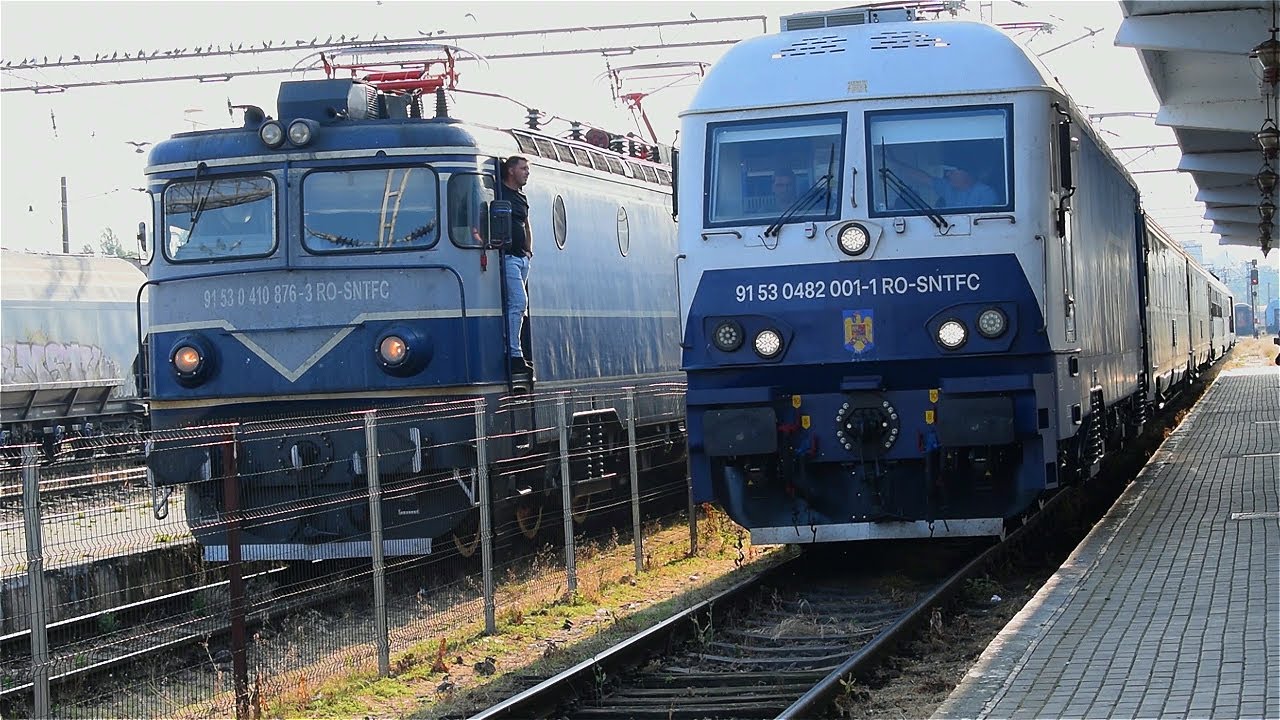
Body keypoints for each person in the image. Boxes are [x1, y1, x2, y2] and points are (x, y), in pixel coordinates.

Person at [501, 155, 533, 374]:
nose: (527, 172)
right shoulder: (499, 194)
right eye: (523, 169)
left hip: (522, 259)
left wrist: (529, 250)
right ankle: (514, 353)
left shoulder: (521, 198)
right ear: (511, 170)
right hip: (508, 258)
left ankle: (515, 349)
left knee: (518, 307)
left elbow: (526, 224)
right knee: (519, 302)